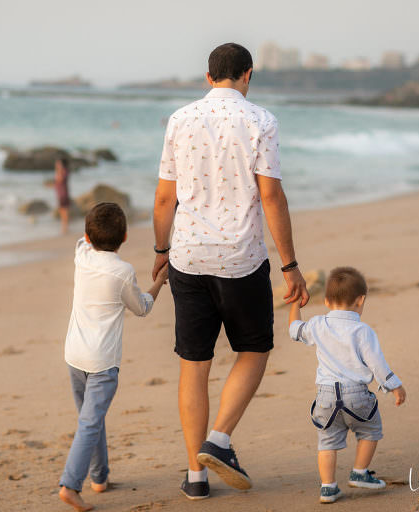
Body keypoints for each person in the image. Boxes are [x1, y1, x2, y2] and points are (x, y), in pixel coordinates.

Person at [152, 42, 310, 500]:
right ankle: (219, 440)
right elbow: (271, 197)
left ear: (208, 78)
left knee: (194, 363)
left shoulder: (180, 120)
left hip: (188, 256)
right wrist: (290, 266)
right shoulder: (261, 120)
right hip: (242, 259)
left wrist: (161, 249)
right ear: (248, 75)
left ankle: (195, 477)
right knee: (254, 349)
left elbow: (165, 198)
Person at [58, 202, 169, 511]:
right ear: (125, 237)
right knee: (91, 423)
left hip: (74, 354)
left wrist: (90, 232)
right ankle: (69, 484)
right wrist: (160, 281)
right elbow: (142, 308)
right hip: (102, 362)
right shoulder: (122, 271)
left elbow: (85, 238)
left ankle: (99, 477)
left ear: (87, 237)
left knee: (90, 419)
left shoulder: (82, 255)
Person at [288, 267, 406, 504]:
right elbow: (377, 364)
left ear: (326, 301)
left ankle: (328, 488)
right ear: (361, 300)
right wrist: (394, 385)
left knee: (327, 442)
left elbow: (294, 331)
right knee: (370, 431)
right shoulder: (363, 331)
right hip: (357, 396)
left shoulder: (318, 324)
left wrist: (295, 305)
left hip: (326, 397)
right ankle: (360, 472)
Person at [55, 157, 71, 234]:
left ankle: (65, 227)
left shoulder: (64, 171)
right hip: (60, 194)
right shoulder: (61, 171)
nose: (57, 165)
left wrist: (59, 171)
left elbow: (59, 179)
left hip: (63, 194)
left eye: (58, 163)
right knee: (62, 210)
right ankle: (64, 226)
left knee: (64, 210)